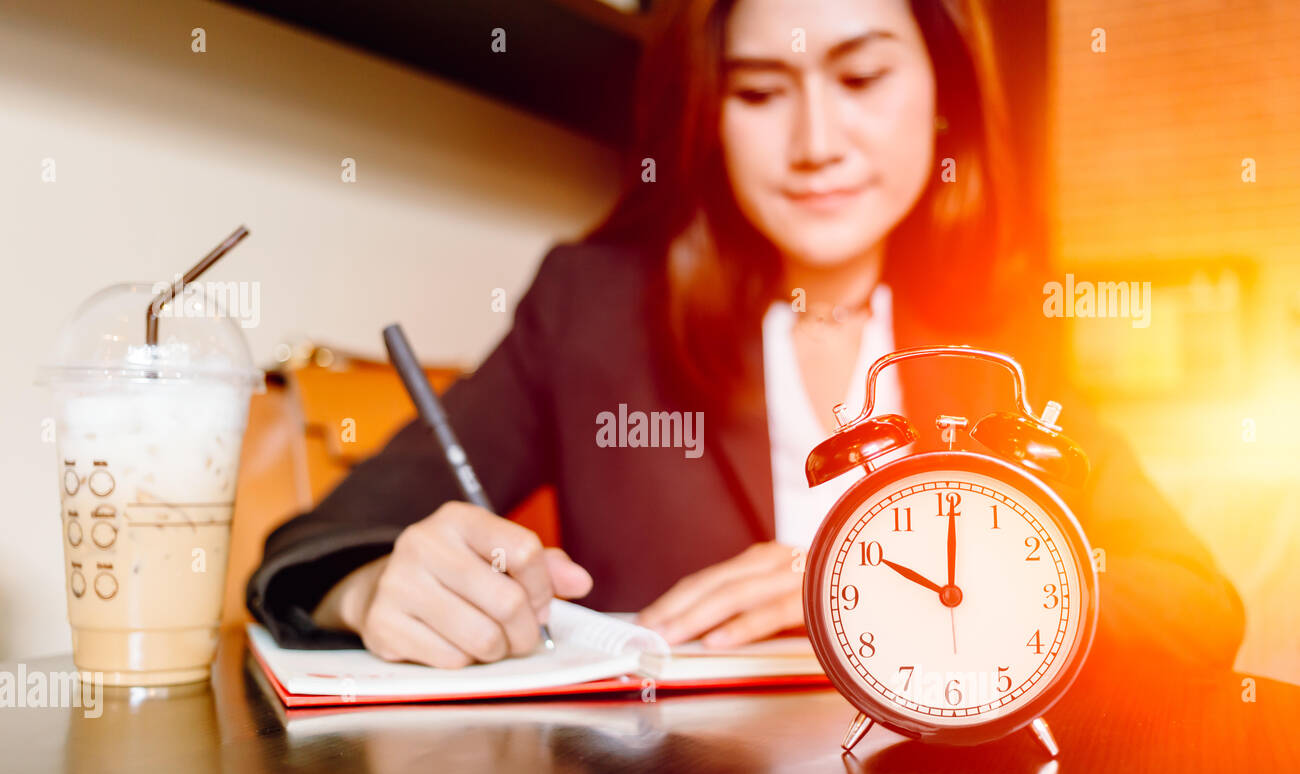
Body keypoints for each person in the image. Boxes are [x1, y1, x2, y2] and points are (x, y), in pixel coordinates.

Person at [247, 0, 1244, 672]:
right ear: (707, 115)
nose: (815, 143)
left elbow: (1191, 600)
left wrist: (899, 591)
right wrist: (376, 585)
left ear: (942, 95)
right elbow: (313, 546)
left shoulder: (999, 341)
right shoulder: (592, 309)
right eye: (761, 92)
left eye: (862, 79)